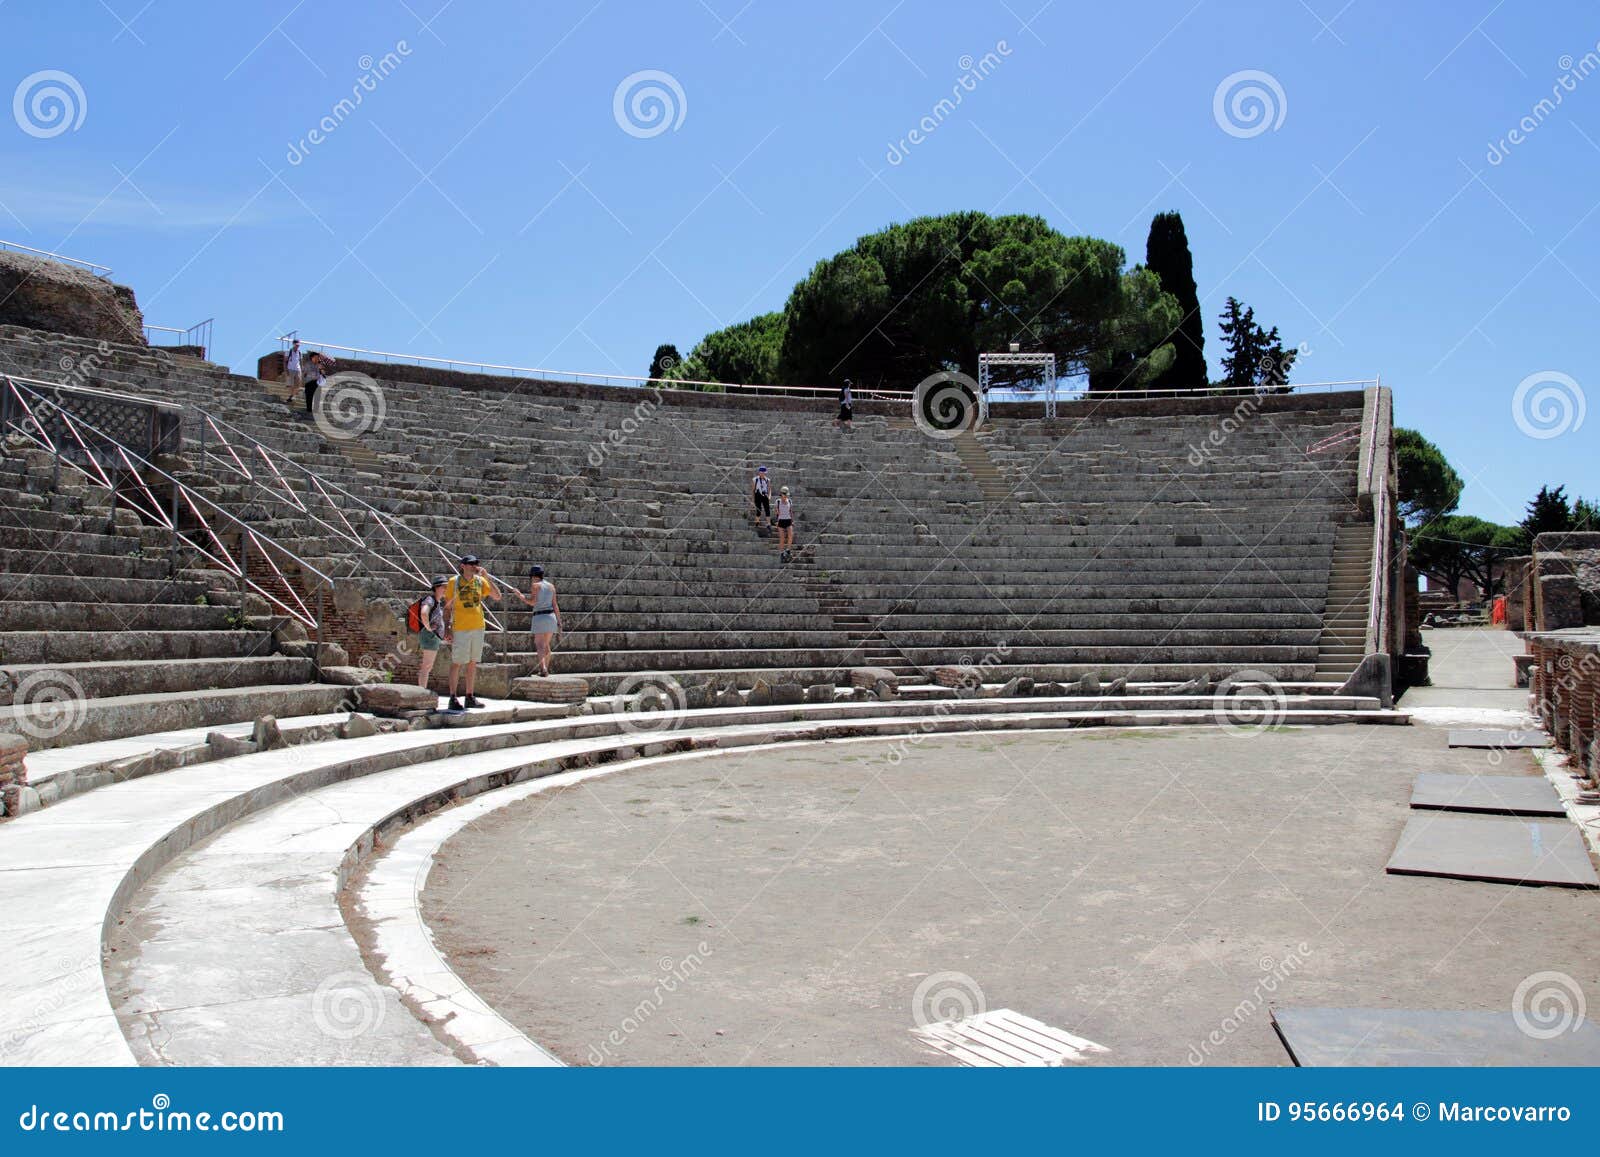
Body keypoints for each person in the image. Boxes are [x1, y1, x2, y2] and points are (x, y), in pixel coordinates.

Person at [444, 554, 499, 710]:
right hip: (460, 627)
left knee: (473, 662)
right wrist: (447, 627)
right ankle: (453, 697)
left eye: (476, 563)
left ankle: (469, 696)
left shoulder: (480, 581)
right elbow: (447, 607)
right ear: (463, 566)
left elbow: (497, 596)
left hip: (478, 626)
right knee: (457, 662)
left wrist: (487, 577)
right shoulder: (454, 582)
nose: (474, 566)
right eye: (471, 563)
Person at [514, 564, 561, 677]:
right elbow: (555, 605)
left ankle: (543, 668)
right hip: (551, 617)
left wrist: (520, 596)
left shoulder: (535, 585)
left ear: (533, 576)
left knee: (540, 644)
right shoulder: (551, 586)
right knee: (546, 645)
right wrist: (559, 621)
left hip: (539, 616)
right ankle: (545, 669)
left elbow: (532, 602)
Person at [415, 575, 451, 690]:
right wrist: (428, 627)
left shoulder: (437, 601)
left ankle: (422, 691)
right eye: (443, 587)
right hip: (429, 636)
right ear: (436, 587)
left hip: (433, 637)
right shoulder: (430, 600)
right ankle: (422, 692)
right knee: (426, 666)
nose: (445, 589)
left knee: (427, 666)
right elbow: (424, 613)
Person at [775, 486, 795, 562]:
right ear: (781, 494)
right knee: (782, 537)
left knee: (791, 535)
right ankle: (781, 552)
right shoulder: (778, 501)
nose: (786, 496)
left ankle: (788, 550)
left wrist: (792, 521)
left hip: (788, 519)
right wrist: (777, 521)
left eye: (786, 494)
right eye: (784, 494)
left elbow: (791, 511)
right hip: (781, 520)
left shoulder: (789, 501)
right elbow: (777, 512)